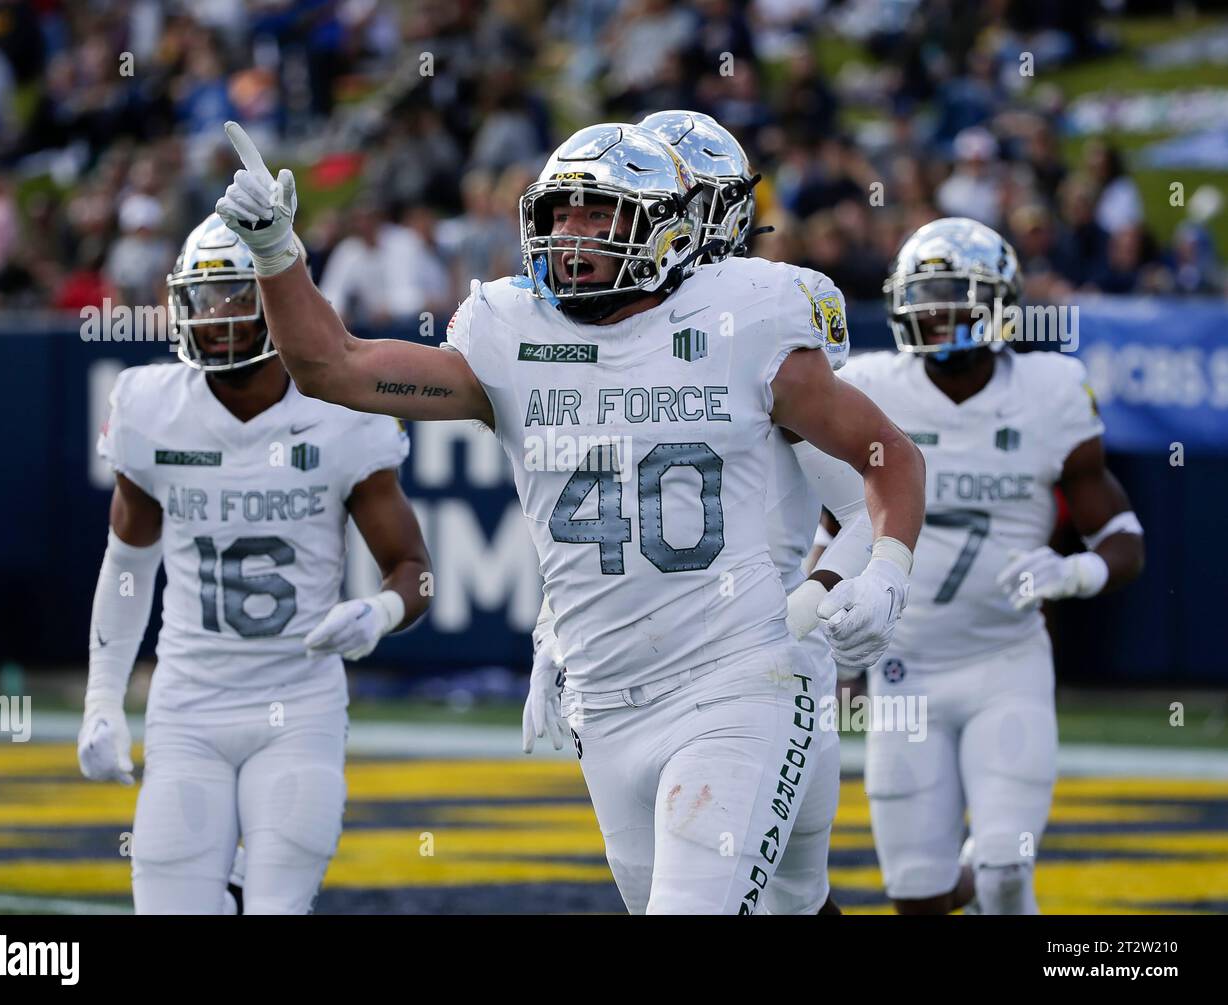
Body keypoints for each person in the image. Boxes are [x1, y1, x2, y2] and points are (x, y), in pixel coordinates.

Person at [215, 120, 925, 914]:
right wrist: (277, 253)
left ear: (671, 226)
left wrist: (884, 571)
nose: (570, 234)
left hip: (741, 679)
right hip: (608, 701)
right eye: (559, 214)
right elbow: (331, 367)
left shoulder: (744, 317)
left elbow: (885, 454)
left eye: (597, 214)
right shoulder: (512, 332)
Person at [522, 110, 877, 918]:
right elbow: (613, 514)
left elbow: (865, 495)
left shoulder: (764, 310)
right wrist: (554, 629)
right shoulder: (597, 321)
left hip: (752, 661)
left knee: (771, 898)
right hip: (631, 676)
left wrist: (813, 598)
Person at [78, 214, 431, 914]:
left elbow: (413, 568)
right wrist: (101, 699)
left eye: (240, 295)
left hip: (298, 706)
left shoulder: (342, 413)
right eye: (205, 298)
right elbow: (128, 564)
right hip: (186, 704)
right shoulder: (151, 406)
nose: (219, 317)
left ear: (279, 301)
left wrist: (380, 611)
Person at [830, 216, 1144, 915]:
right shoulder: (873, 383)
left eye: (954, 294)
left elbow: (1121, 530)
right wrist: (829, 630)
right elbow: (830, 518)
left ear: (1000, 301)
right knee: (920, 897)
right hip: (903, 671)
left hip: (1007, 663)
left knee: (1006, 866)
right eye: (923, 295)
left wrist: (1077, 572)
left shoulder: (1051, 389)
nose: (936, 312)